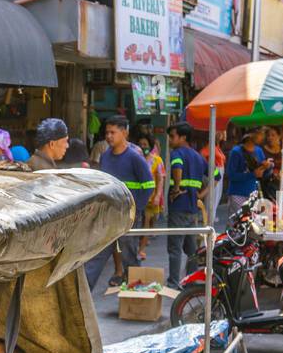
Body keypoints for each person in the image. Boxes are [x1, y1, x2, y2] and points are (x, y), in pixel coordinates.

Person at [87, 115, 152, 288]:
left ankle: (136, 295)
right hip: (108, 216)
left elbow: (149, 185)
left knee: (129, 255)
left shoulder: (134, 157)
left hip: (128, 217)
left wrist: (136, 210)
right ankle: (82, 298)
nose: (108, 136)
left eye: (112, 132)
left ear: (124, 133)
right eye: (107, 132)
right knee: (97, 255)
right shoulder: (105, 156)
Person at [167, 123, 208, 289]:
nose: (170, 140)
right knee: (191, 249)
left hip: (178, 207)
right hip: (193, 209)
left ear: (183, 137)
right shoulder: (199, 157)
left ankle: (173, 283)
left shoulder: (177, 153)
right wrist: (201, 195)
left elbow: (177, 166)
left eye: (172, 136)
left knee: (175, 248)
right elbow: (216, 176)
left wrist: (176, 188)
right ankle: (191, 281)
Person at [225, 132, 271, 222]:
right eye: (259, 133)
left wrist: (267, 167)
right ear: (250, 136)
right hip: (237, 193)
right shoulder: (236, 152)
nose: (262, 137)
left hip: (252, 194)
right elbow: (231, 175)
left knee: (250, 224)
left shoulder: (258, 151)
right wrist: (253, 174)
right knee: (237, 223)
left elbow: (263, 174)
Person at [136, 130, 166, 260]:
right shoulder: (135, 159)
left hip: (150, 198)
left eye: (145, 144)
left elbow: (160, 179)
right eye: (140, 144)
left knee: (145, 224)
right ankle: (135, 247)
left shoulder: (157, 161)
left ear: (150, 145)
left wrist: (158, 196)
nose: (143, 147)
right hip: (136, 198)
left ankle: (141, 249)